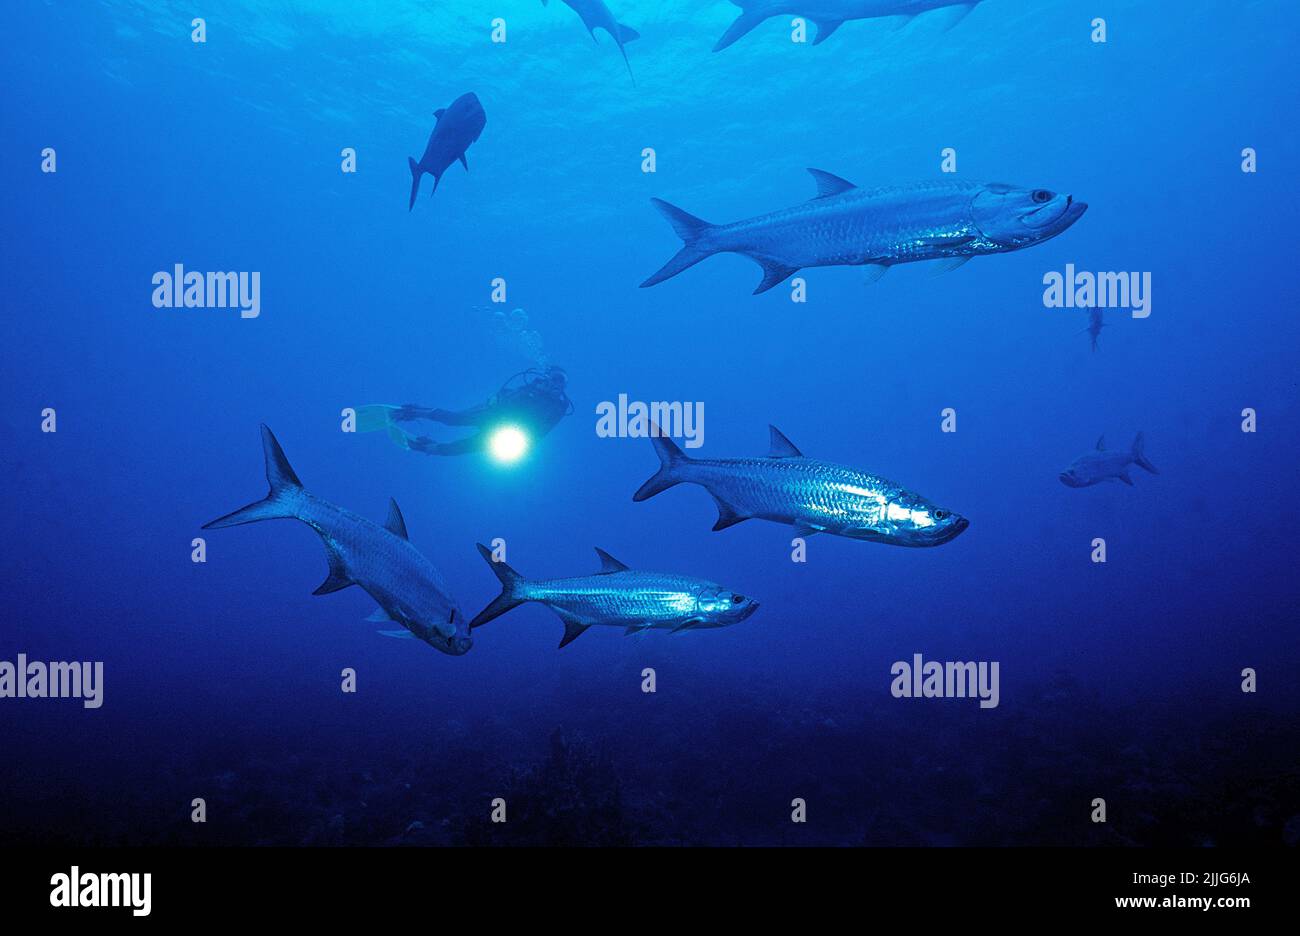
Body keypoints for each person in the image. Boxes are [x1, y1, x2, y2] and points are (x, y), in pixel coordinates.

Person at [356, 366, 572, 456]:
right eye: (554, 379)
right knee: (455, 419)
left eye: (560, 382)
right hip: (494, 415)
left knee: (463, 448)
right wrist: (495, 403)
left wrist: (527, 443)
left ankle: (426, 446)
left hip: (512, 434)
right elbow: (507, 396)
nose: (555, 385)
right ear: (547, 376)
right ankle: (410, 412)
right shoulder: (532, 385)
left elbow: (545, 430)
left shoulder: (559, 408)